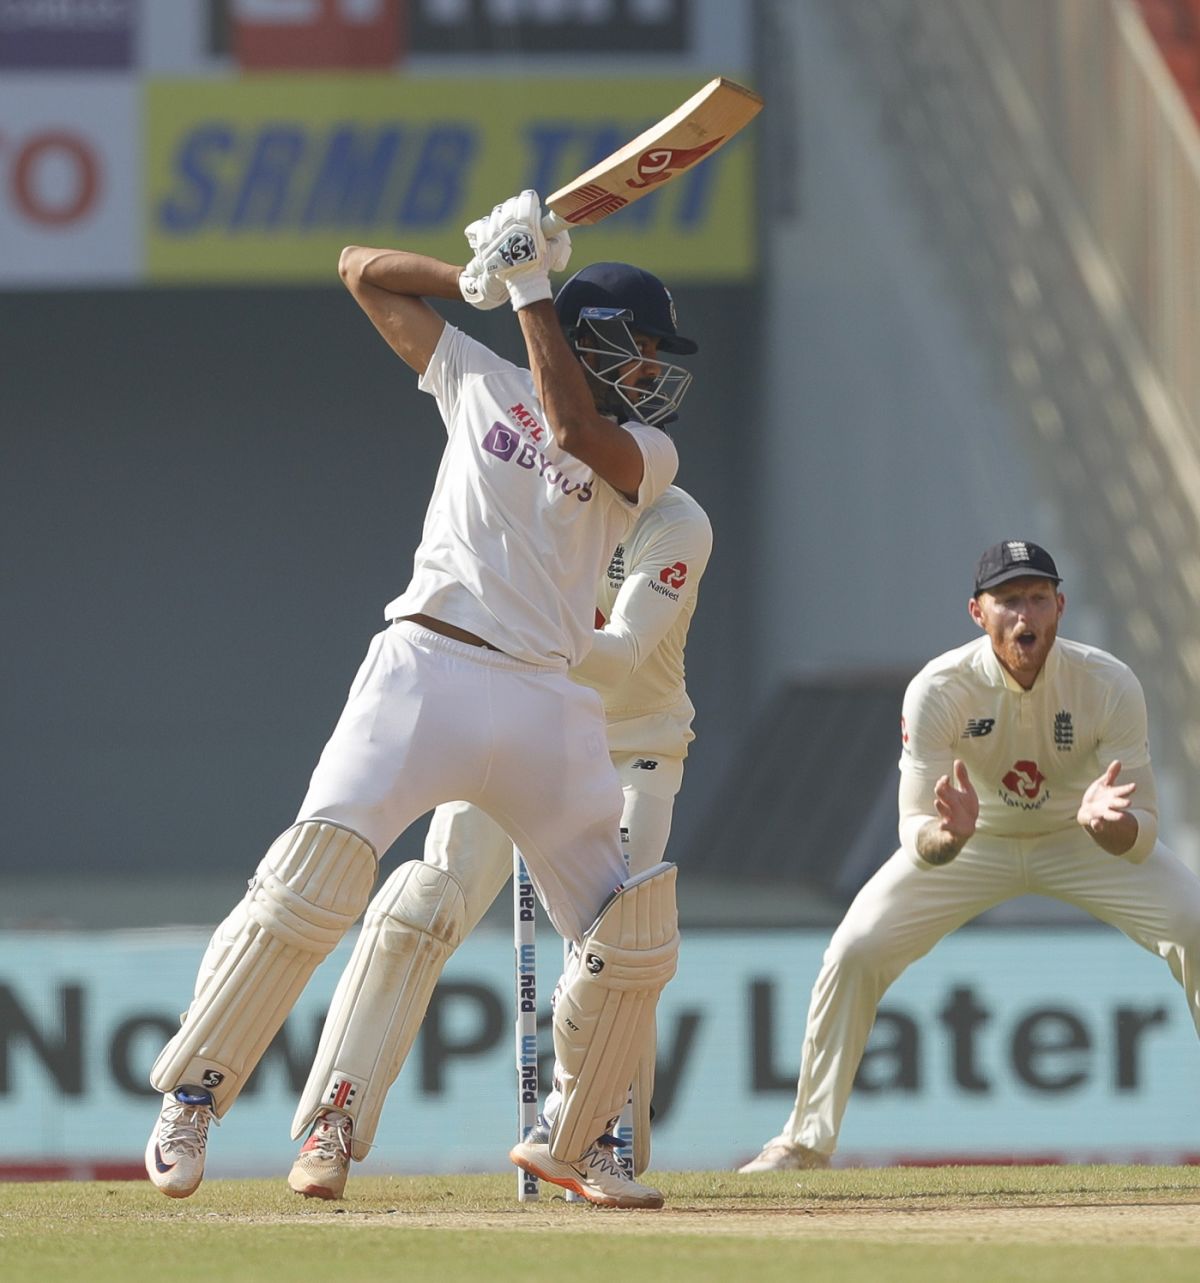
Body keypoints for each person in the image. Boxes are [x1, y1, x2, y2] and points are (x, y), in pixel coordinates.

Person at [144, 189, 697, 1210]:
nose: (659, 376)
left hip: (546, 698)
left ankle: (577, 1140)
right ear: (600, 337)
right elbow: (360, 268)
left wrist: (530, 283)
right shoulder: (477, 377)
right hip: (426, 670)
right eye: (647, 352)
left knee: (632, 937)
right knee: (311, 877)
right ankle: (193, 1092)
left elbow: (575, 425)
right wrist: (478, 275)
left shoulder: (648, 459)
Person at [284, 482, 711, 1201]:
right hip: (518, 727)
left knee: (623, 937)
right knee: (426, 903)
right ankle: (336, 1117)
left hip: (627, 746)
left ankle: (587, 1138)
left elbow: (622, 655)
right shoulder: (530, 488)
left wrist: (514, 630)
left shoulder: (675, 521)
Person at [738, 539, 1200, 1172]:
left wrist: (1106, 826)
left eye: (1038, 598)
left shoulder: (1108, 681)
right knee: (855, 949)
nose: (1025, 614)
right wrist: (947, 836)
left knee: (1195, 924)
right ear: (977, 613)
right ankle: (802, 1143)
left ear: (1060, 607)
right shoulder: (939, 687)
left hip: (1079, 837)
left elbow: (1142, 827)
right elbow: (915, 831)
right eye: (1008, 600)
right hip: (972, 842)